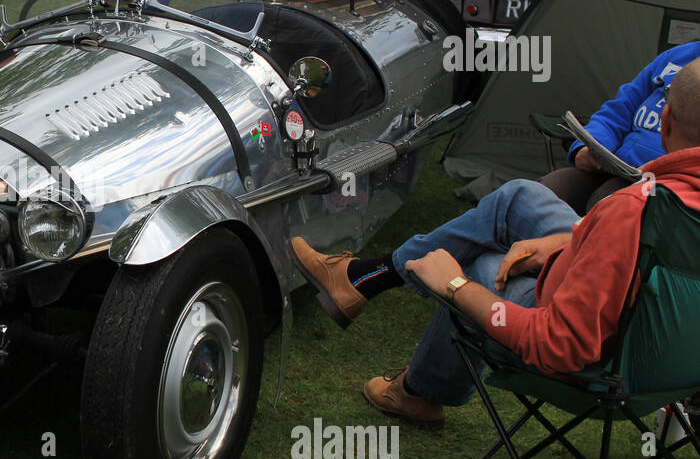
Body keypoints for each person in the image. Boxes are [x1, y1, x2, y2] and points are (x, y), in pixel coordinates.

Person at [289, 57, 700, 427]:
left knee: (482, 261)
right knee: (519, 198)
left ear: (664, 123)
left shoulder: (631, 211)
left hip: (611, 365)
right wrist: (567, 242)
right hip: (675, 360)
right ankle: (360, 278)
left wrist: (456, 285)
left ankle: (421, 391)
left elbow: (560, 346)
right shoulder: (642, 213)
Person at [541, 42, 700, 212]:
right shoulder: (676, 56)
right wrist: (588, 146)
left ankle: (568, 238)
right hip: (614, 167)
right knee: (549, 189)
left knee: (607, 203)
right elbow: (618, 111)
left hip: (667, 184)